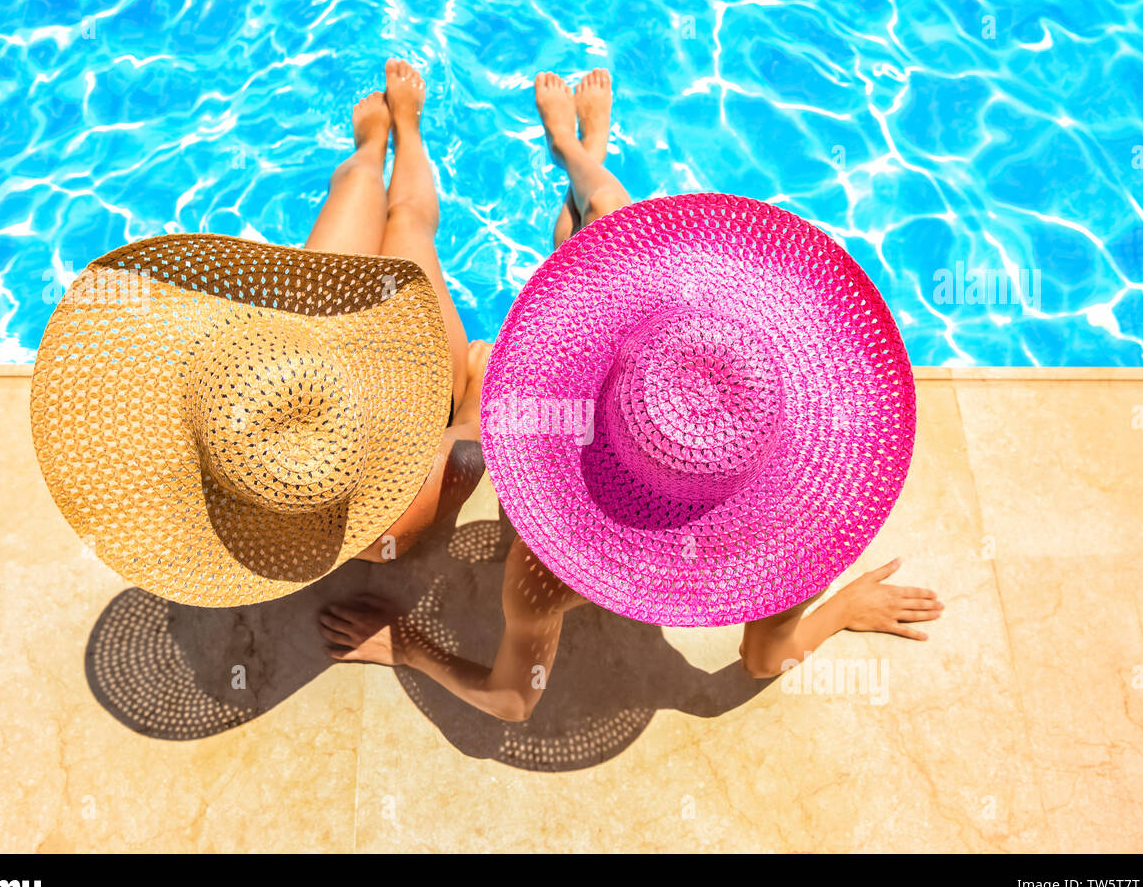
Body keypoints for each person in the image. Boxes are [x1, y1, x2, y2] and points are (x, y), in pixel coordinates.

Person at [319, 67, 943, 720]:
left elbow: (512, 700)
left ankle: (578, 151)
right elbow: (765, 660)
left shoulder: (542, 573)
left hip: (595, 467)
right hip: (658, 459)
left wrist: (405, 645)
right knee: (603, 216)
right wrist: (839, 608)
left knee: (601, 222)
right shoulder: (790, 535)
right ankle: (580, 147)